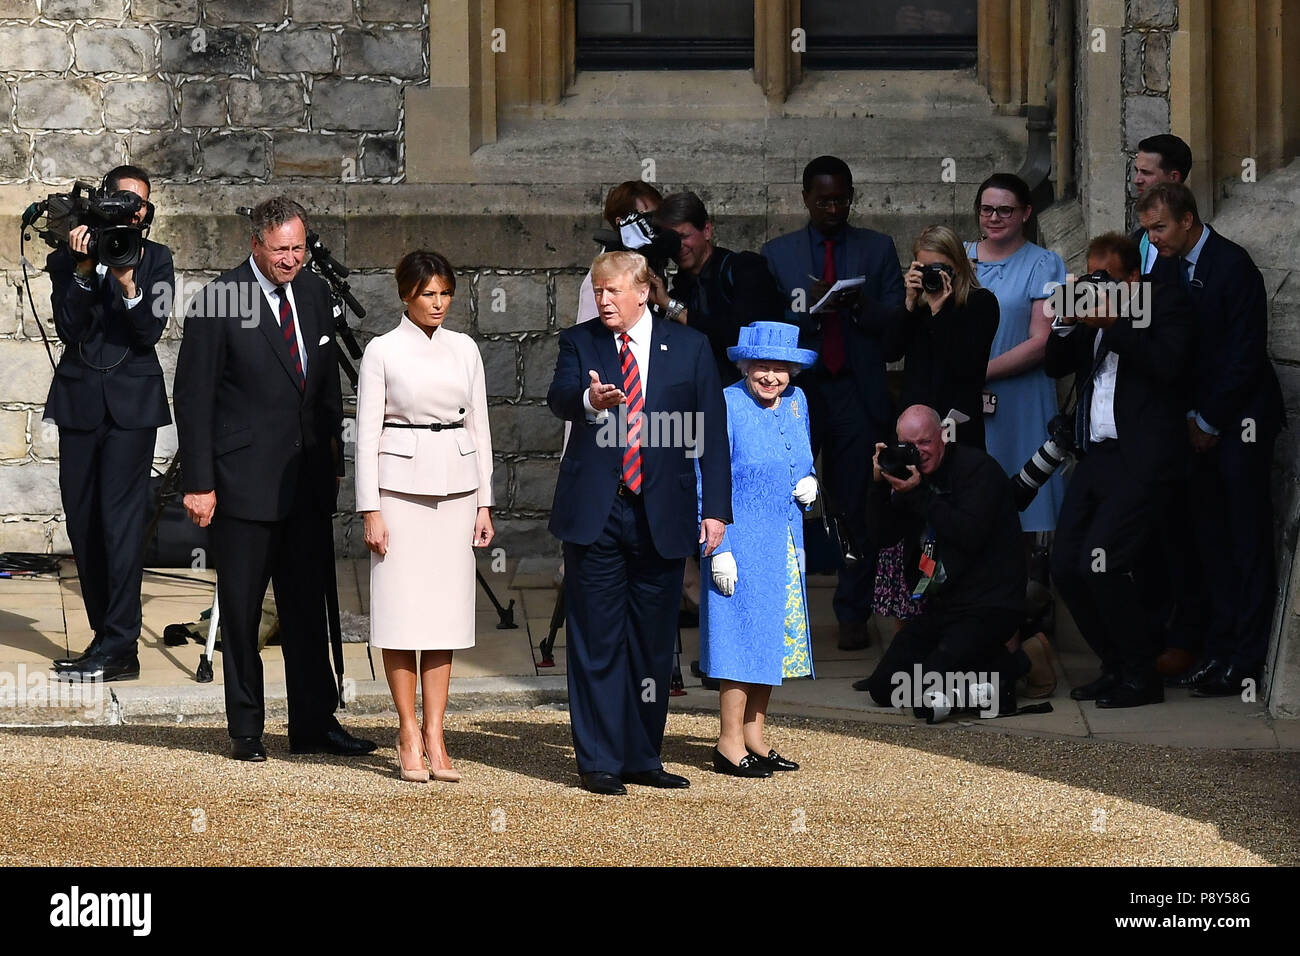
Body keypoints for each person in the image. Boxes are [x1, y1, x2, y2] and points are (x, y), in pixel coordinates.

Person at [174, 196, 376, 762]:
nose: (292, 259)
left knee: (307, 608)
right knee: (240, 611)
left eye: (299, 248)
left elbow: (326, 387)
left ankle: (314, 722)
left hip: (305, 481)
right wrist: (199, 482)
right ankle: (246, 729)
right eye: (281, 250)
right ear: (255, 245)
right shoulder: (219, 301)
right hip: (241, 483)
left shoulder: (314, 293)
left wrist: (333, 459)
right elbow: (192, 399)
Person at [547, 250, 731, 796]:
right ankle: (599, 760)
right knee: (597, 640)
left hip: (664, 514)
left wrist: (716, 508)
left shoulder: (691, 347)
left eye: (612, 291)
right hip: (597, 512)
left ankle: (641, 756)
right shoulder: (581, 341)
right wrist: (589, 399)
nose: (602, 300)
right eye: (597, 290)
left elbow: (711, 436)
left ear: (644, 291)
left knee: (653, 645)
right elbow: (559, 397)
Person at [1138, 182, 1286, 698]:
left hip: (1240, 422)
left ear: (1186, 219)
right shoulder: (1166, 266)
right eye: (1147, 230)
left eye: (1160, 228)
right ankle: (1217, 650)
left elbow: (1245, 355)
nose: (1152, 240)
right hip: (1194, 427)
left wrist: (1208, 421)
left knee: (1246, 540)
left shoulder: (1232, 265)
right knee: (1210, 541)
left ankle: (1245, 661)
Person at [355, 250, 494, 783]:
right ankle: (407, 729)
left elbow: (480, 426)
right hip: (398, 491)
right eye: (427, 293)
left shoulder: (465, 349)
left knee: (444, 618)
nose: (437, 303)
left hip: (457, 489)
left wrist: (484, 502)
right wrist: (371, 509)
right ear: (406, 296)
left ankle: (437, 732)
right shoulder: (381, 351)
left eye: (444, 293)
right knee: (399, 613)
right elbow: (366, 434)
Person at [762, 155, 906, 651]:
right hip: (799, 391)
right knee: (782, 498)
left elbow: (896, 326)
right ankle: (778, 610)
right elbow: (768, 329)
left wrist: (858, 306)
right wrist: (814, 313)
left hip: (856, 392)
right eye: (823, 199)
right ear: (805, 198)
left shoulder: (876, 248)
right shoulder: (778, 254)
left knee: (853, 504)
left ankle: (852, 612)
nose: (833, 207)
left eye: (841, 198)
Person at [1045, 233, 1193, 708]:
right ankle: (1116, 666)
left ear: (1133, 277)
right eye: (1091, 277)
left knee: (1100, 561)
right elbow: (1054, 364)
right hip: (1096, 457)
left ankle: (1141, 675)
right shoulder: (1091, 311)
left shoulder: (1161, 303)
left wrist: (1118, 320)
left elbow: (1170, 366)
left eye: (1106, 277)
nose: (1097, 285)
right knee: (1065, 563)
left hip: (1142, 459)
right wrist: (1068, 321)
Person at [48, 165, 174, 683]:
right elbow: (69, 329)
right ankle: (110, 640)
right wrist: (81, 271)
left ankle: (121, 641)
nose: (133, 210)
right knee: (82, 522)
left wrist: (126, 283)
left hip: (131, 408)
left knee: (121, 525)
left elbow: (149, 329)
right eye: (124, 200)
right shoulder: (67, 255)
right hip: (80, 403)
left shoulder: (156, 258)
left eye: (140, 204)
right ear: (105, 199)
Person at [852, 406, 1031, 720]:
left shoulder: (978, 471)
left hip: (989, 604)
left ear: (942, 437)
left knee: (926, 702)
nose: (918, 452)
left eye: (925, 443)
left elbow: (968, 534)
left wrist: (917, 493)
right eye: (908, 445)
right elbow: (881, 536)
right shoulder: (908, 476)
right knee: (883, 689)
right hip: (943, 608)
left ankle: (1007, 672)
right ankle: (1002, 668)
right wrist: (879, 485)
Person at [699, 322, 818, 778]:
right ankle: (728, 744)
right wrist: (716, 547)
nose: (771, 377)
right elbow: (705, 477)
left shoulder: (797, 402)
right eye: (761, 367)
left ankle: (755, 739)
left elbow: (802, 458)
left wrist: (810, 480)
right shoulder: (725, 404)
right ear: (745, 366)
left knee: (771, 640)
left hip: (786, 540)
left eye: (780, 368)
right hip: (738, 540)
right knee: (739, 639)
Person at [872, 225, 1000, 635]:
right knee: (908, 526)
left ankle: (960, 627)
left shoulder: (981, 304)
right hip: (914, 431)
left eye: (938, 268)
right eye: (922, 267)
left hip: (956, 433)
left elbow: (965, 367)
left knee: (951, 526)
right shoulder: (918, 306)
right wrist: (910, 305)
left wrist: (942, 310)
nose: (930, 277)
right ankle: (909, 637)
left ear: (957, 266)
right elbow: (889, 351)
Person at [965, 172, 1068, 536]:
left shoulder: (1045, 264)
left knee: (1018, 505)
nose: (994, 217)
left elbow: (1041, 342)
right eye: (987, 209)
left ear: (1026, 213)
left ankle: (1018, 588)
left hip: (1019, 396)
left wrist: (979, 372)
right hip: (962, 399)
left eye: (1005, 211)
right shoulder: (960, 257)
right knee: (965, 501)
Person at [649, 191, 785, 386]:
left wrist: (672, 307)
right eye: (671, 240)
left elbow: (739, 336)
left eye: (684, 236)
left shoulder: (744, 269)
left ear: (706, 230)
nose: (678, 247)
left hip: (751, 394)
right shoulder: (680, 287)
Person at [575, 181, 664, 325]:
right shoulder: (606, 270)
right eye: (645, 218)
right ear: (621, 222)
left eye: (657, 217)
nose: (653, 225)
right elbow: (588, 330)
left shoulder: (650, 260)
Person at [1133, 134, 1192, 275]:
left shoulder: (1189, 245)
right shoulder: (1136, 240)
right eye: (1137, 171)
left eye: (1146, 173)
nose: (1137, 180)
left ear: (1173, 178)